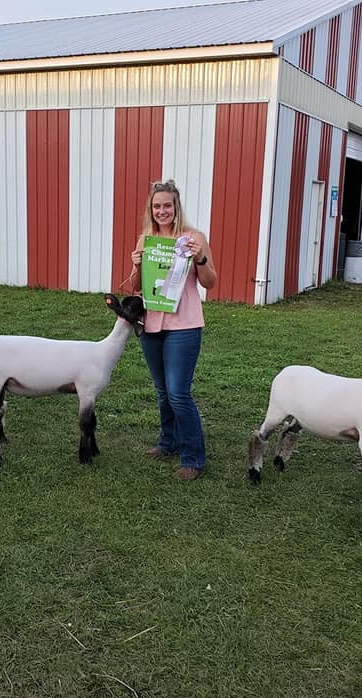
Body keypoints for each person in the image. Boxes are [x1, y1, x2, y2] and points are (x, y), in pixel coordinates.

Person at [130, 180, 217, 480]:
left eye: (167, 205)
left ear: (176, 206)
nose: (162, 211)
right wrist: (136, 265)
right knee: (162, 392)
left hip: (185, 324)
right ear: (151, 210)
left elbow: (209, 282)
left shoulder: (194, 238)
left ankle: (193, 457)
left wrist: (200, 258)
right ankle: (168, 443)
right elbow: (134, 288)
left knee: (179, 393)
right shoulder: (146, 240)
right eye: (157, 206)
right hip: (152, 324)